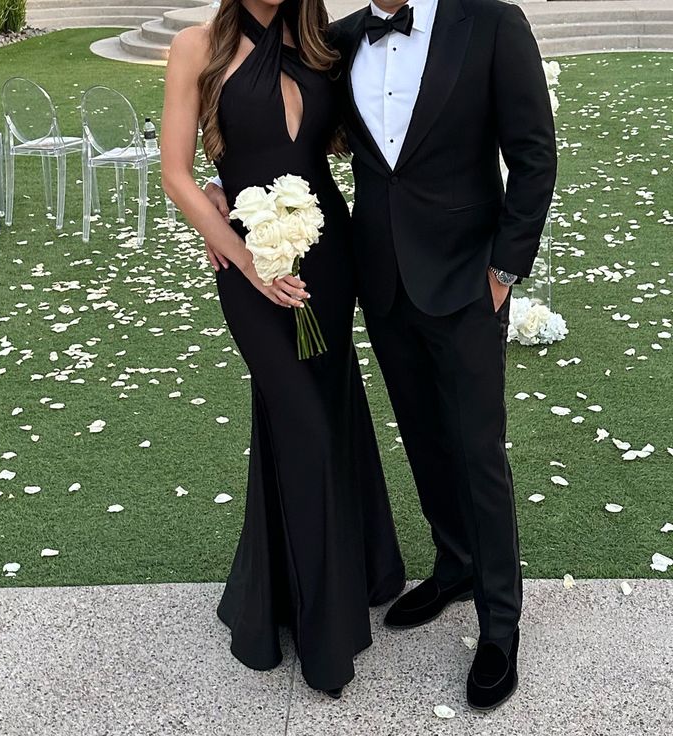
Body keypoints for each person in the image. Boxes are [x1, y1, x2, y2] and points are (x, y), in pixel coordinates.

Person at [206, 0, 557, 710]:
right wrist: (221, 189)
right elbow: (275, 124)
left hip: (467, 282)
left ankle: (499, 626)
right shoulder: (333, 42)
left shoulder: (491, 23)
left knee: (477, 448)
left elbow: (533, 154)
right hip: (379, 278)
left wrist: (502, 274)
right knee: (423, 437)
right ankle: (454, 564)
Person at [161, 0, 406, 700]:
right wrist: (237, 246)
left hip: (329, 263)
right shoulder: (195, 45)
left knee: (323, 411)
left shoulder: (325, 45)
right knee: (304, 426)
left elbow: (340, 142)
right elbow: (175, 170)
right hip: (250, 268)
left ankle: (289, 593)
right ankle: (327, 636)